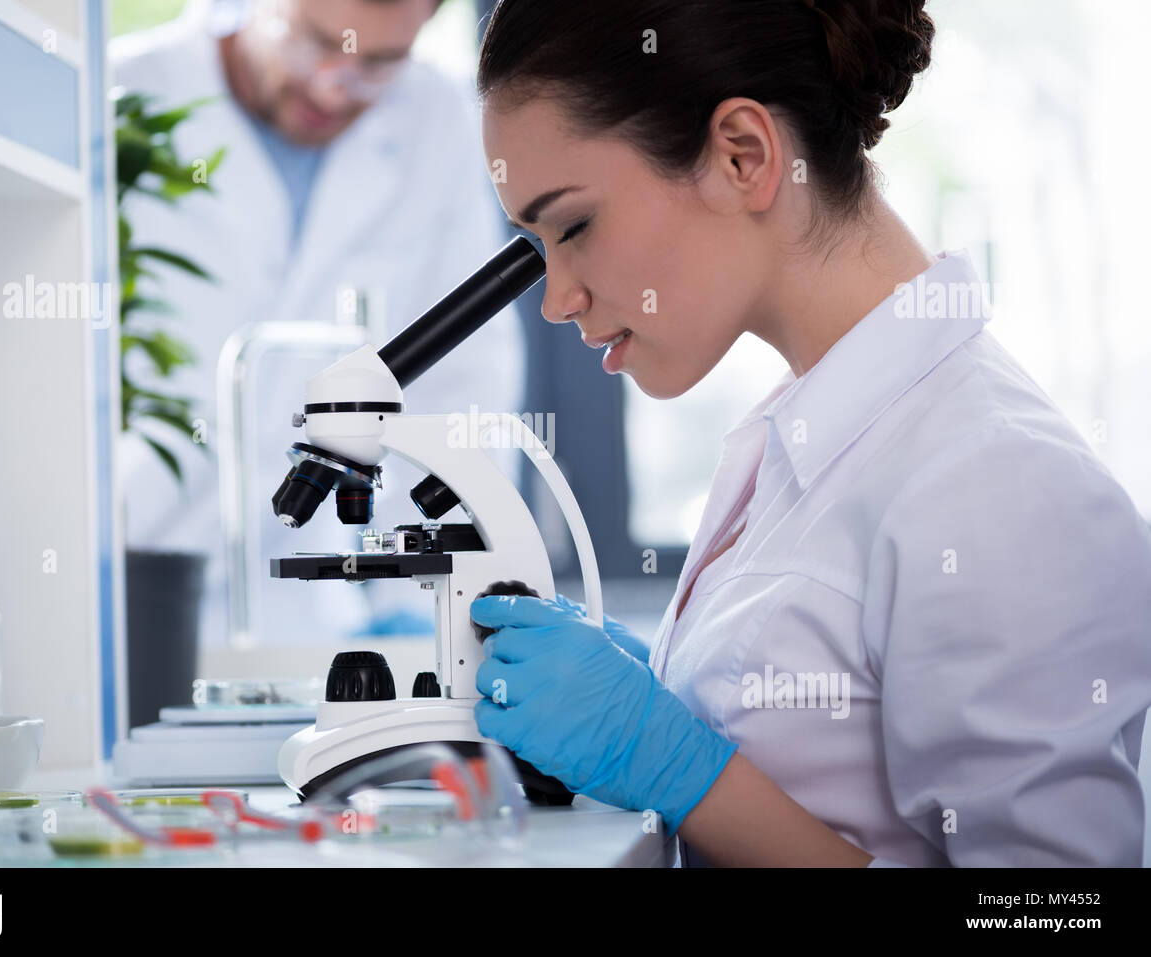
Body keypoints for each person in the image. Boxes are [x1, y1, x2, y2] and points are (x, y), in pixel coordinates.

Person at [468, 0, 1151, 866]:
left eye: (573, 227)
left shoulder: (1000, 484)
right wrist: (668, 706)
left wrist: (682, 769)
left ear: (742, 156)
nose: (556, 298)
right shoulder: (801, 438)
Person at [111, 0, 524, 649]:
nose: (336, 85)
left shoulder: (437, 124)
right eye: (315, 43)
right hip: (130, 583)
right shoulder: (121, 97)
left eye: (378, 63)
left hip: (310, 613)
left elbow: (459, 383)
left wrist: (425, 598)